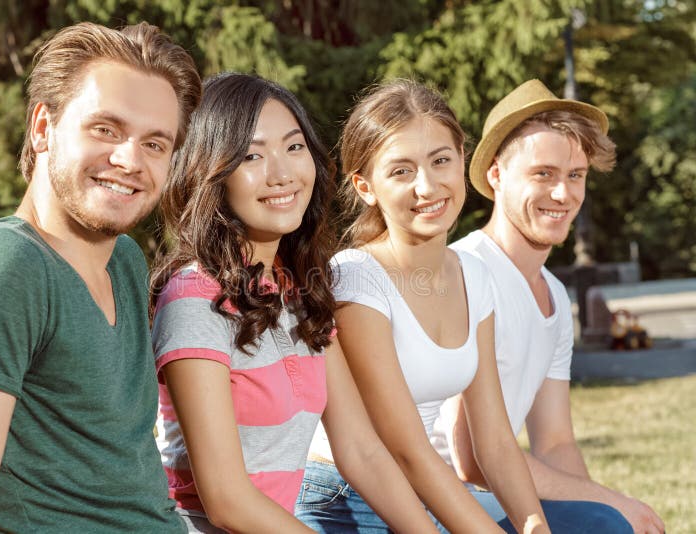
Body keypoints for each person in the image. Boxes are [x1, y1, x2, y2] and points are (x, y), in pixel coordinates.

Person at [0, 22, 201, 532]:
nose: (130, 160)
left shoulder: (126, 261)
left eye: (155, 143)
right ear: (42, 127)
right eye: (105, 129)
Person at [149, 73, 439, 534]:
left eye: (294, 146)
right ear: (211, 173)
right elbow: (225, 501)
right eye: (251, 155)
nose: (282, 173)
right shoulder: (192, 299)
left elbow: (360, 449)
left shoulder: (296, 290)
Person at [297, 79, 549, 534]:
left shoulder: (474, 274)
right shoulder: (356, 279)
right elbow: (404, 448)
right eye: (401, 171)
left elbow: (493, 441)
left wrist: (534, 524)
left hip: (426, 489)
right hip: (341, 500)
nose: (428, 186)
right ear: (365, 186)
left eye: (440, 161)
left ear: (462, 159)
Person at [431, 79, 664, 533]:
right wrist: (608, 507)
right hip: (431, 500)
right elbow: (472, 461)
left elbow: (555, 443)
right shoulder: (466, 271)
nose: (563, 194)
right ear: (496, 176)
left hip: (494, 495)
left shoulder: (554, 294)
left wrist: (611, 511)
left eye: (575, 175)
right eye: (543, 174)